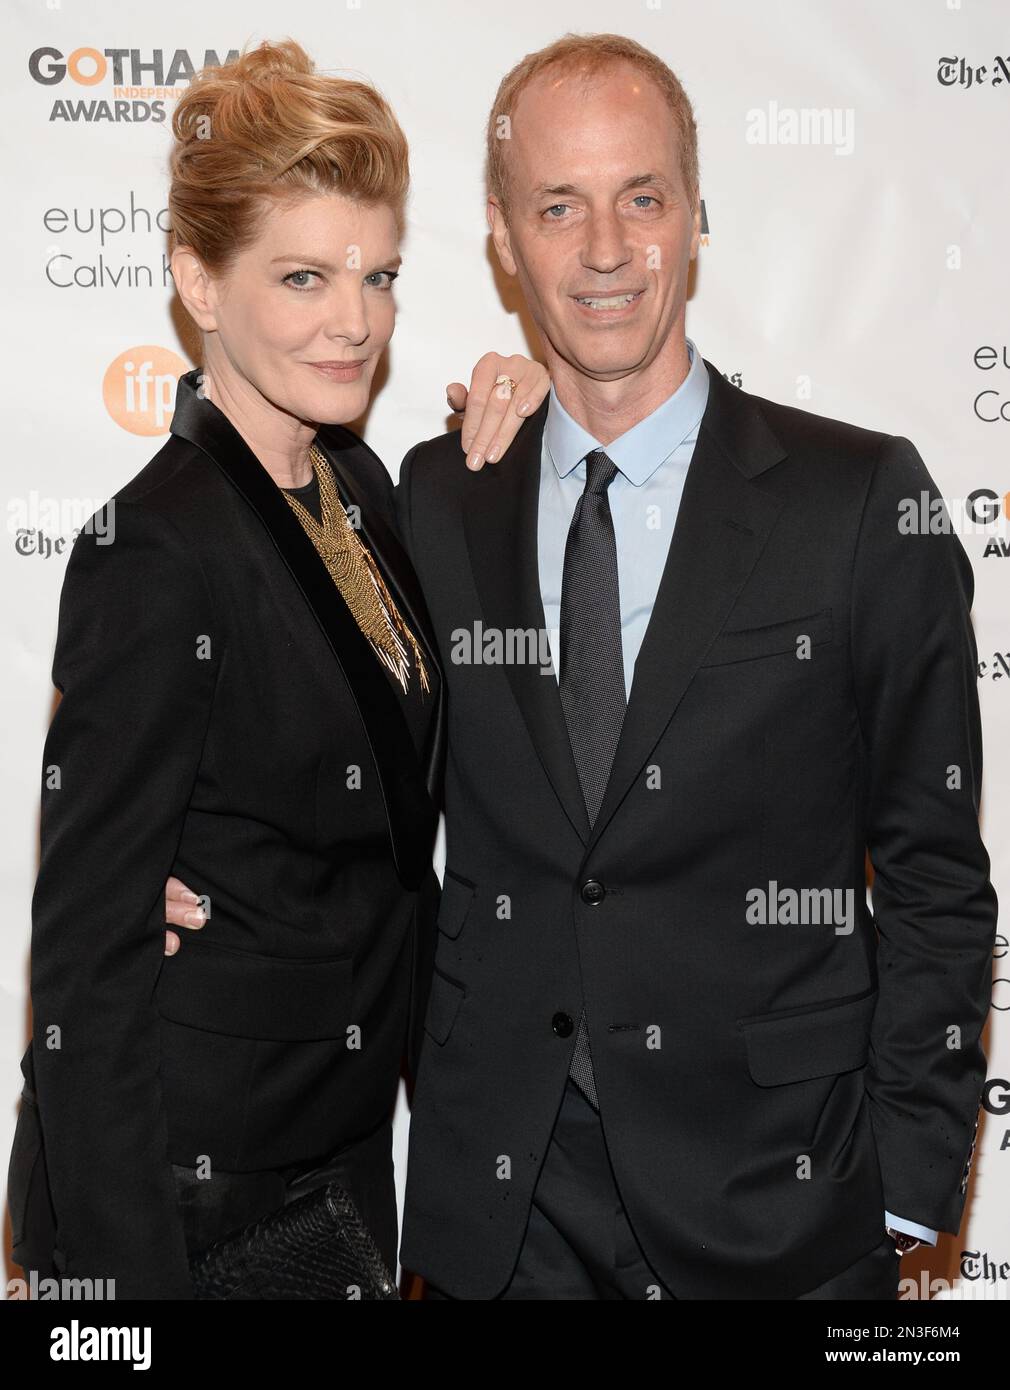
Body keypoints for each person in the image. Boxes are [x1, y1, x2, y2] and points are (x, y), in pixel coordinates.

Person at [388, 33, 997, 1299]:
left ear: (697, 217)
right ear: (502, 238)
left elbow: (936, 872)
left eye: (641, 198)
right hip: (504, 1218)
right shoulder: (439, 500)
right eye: (558, 205)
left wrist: (903, 1194)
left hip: (780, 1209)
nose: (604, 249)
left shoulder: (857, 500)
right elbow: (365, 796)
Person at [6, 38, 546, 1300]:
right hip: (197, 1192)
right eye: (303, 276)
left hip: (344, 1153)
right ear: (199, 280)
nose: (353, 320)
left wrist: (535, 390)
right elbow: (86, 962)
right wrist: (122, 1297)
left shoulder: (354, 487)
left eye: (378, 275)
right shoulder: (156, 547)